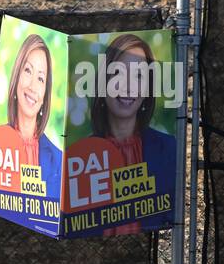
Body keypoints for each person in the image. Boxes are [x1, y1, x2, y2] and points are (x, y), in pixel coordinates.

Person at [65, 34, 176, 236]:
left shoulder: (171, 151)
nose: (128, 86)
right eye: (118, 73)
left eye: (139, 76)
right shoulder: (76, 160)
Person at [0, 34, 61, 204]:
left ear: (45, 95)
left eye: (41, 78)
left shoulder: (59, 161)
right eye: (28, 70)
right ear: (16, 77)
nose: (33, 86)